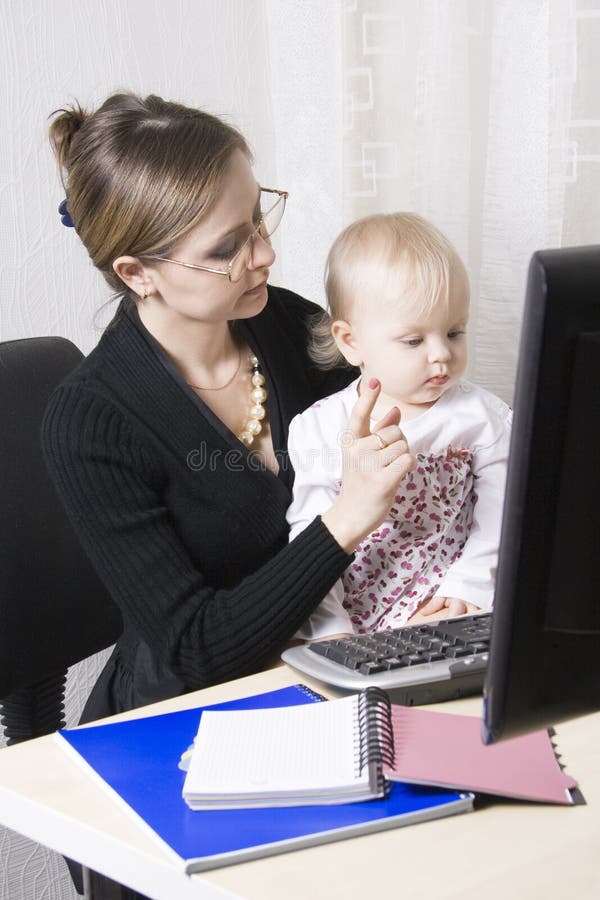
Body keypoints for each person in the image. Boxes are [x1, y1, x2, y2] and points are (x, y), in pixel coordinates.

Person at [42, 92, 416, 723]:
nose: (264, 255)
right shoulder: (90, 423)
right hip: (190, 718)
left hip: (334, 671)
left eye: (258, 221)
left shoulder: (291, 324)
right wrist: (349, 516)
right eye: (226, 249)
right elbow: (194, 653)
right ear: (137, 273)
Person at [287, 212, 512, 640]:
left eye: (454, 332)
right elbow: (310, 536)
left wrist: (469, 588)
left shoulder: (483, 418)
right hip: (354, 621)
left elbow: (502, 517)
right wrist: (331, 630)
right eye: (414, 340)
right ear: (350, 342)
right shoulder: (318, 429)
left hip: (451, 609)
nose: (441, 354)